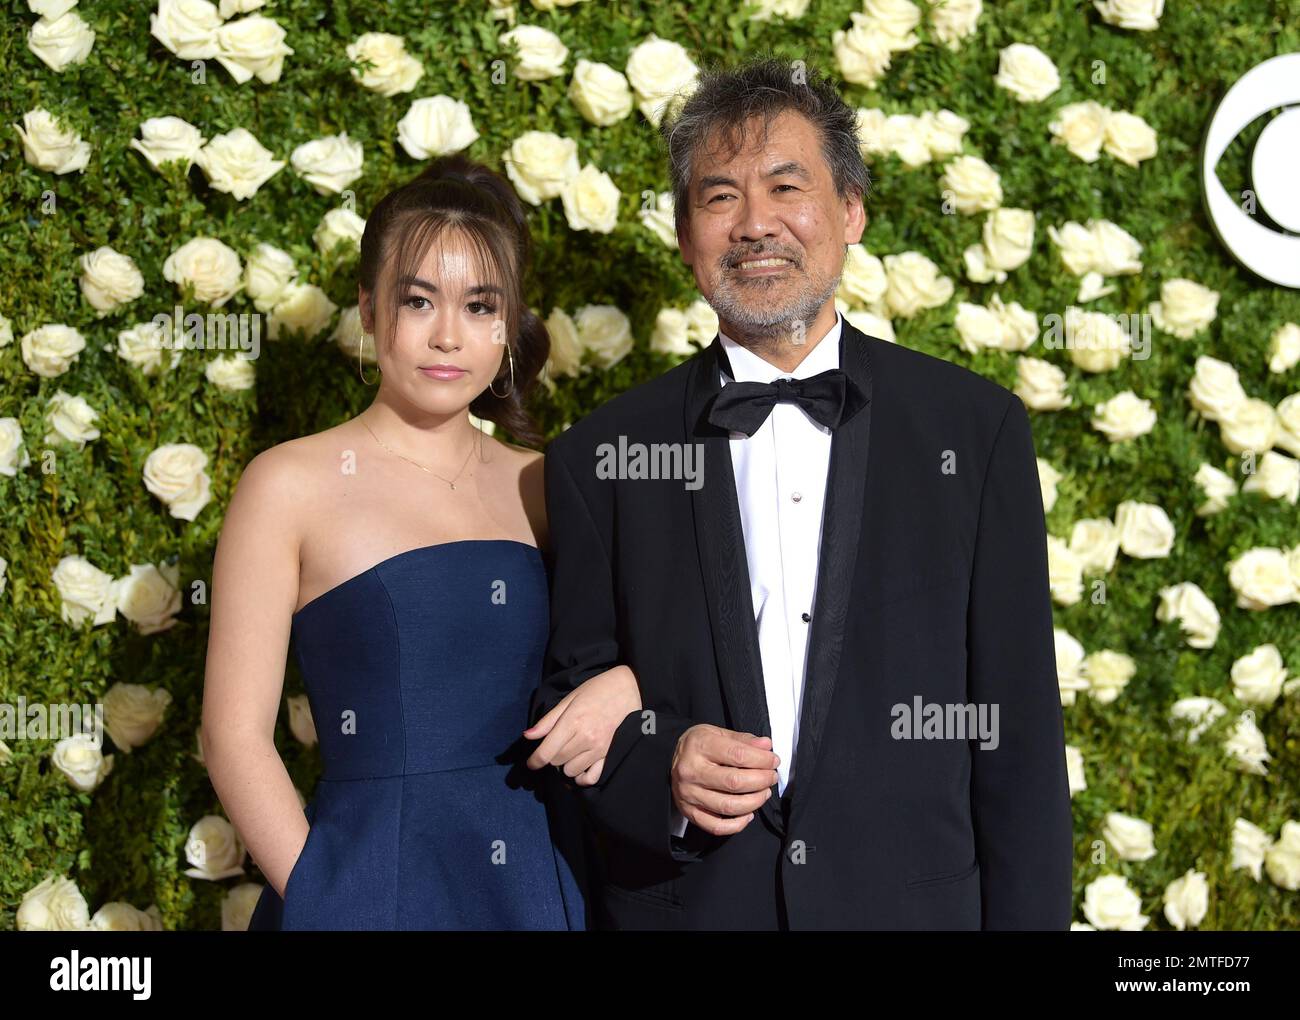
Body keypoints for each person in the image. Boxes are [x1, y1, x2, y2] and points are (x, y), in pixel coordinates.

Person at [528, 57, 1074, 930]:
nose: (755, 225)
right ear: (683, 234)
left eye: (788, 187)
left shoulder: (975, 432)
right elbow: (570, 705)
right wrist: (664, 763)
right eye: (719, 198)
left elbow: (1015, 735)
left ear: (851, 211)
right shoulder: (601, 455)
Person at [202, 154, 638, 930]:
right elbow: (233, 738)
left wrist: (629, 688)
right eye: (417, 301)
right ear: (369, 311)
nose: (447, 336)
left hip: (544, 883)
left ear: (508, 324)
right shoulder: (287, 485)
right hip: (370, 885)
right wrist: (332, 900)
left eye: (478, 306)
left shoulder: (547, 486)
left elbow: (642, 657)